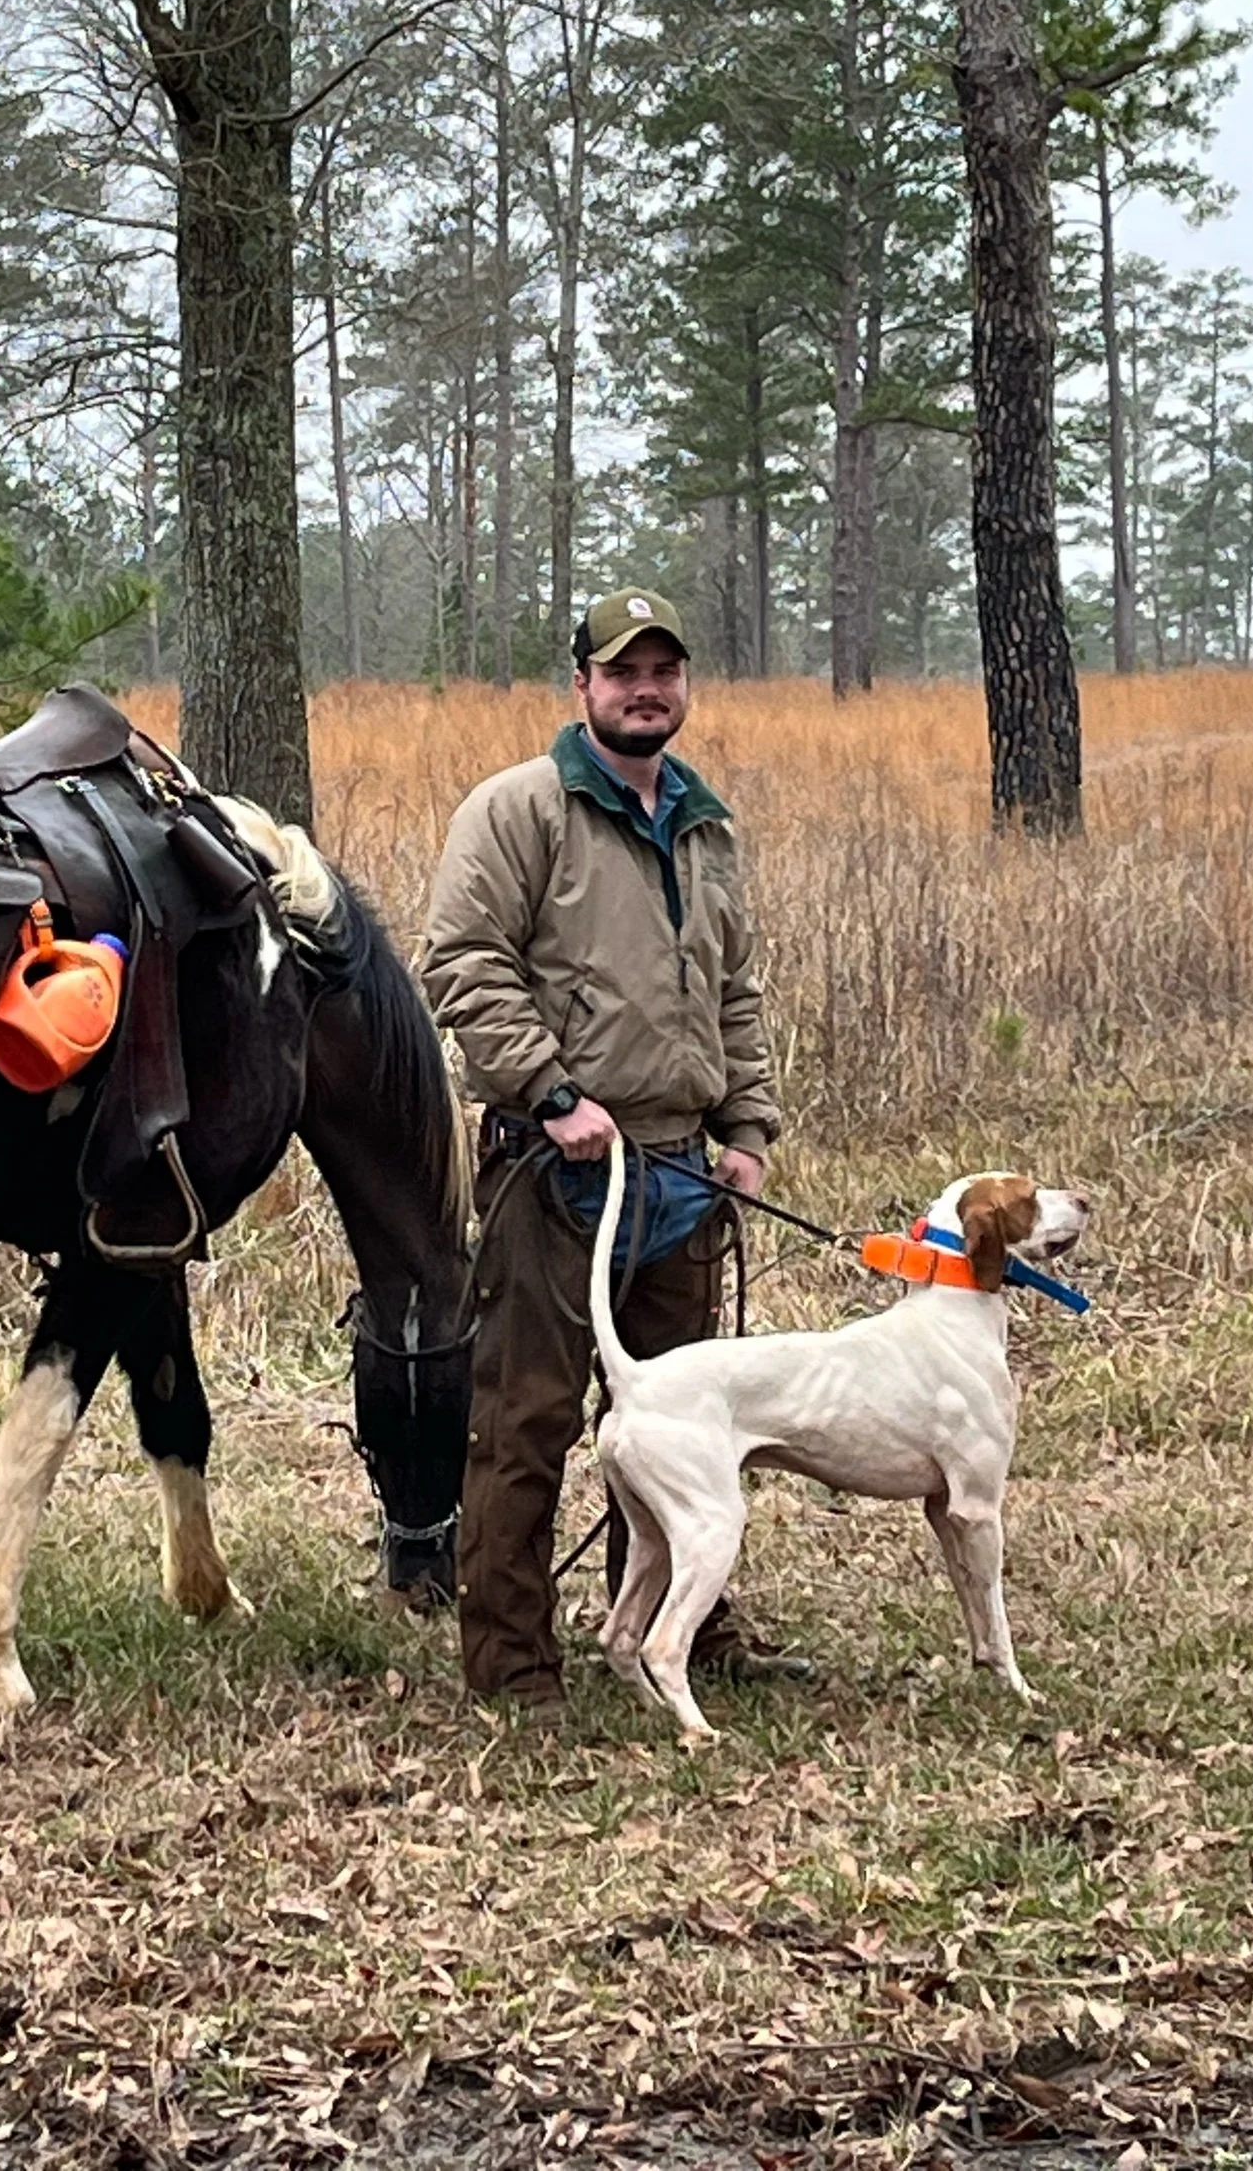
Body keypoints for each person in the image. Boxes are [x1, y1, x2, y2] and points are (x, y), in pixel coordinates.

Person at [420, 586, 783, 1709]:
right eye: (623, 672)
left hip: (680, 1178)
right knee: (524, 1422)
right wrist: (552, 1091)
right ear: (581, 684)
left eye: (664, 671)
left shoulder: (706, 825)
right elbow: (460, 961)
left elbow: (732, 992)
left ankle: (681, 1635)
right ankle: (513, 1667)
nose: (645, 691)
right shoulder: (517, 809)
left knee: (685, 1431)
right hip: (555, 1171)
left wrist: (746, 1126)